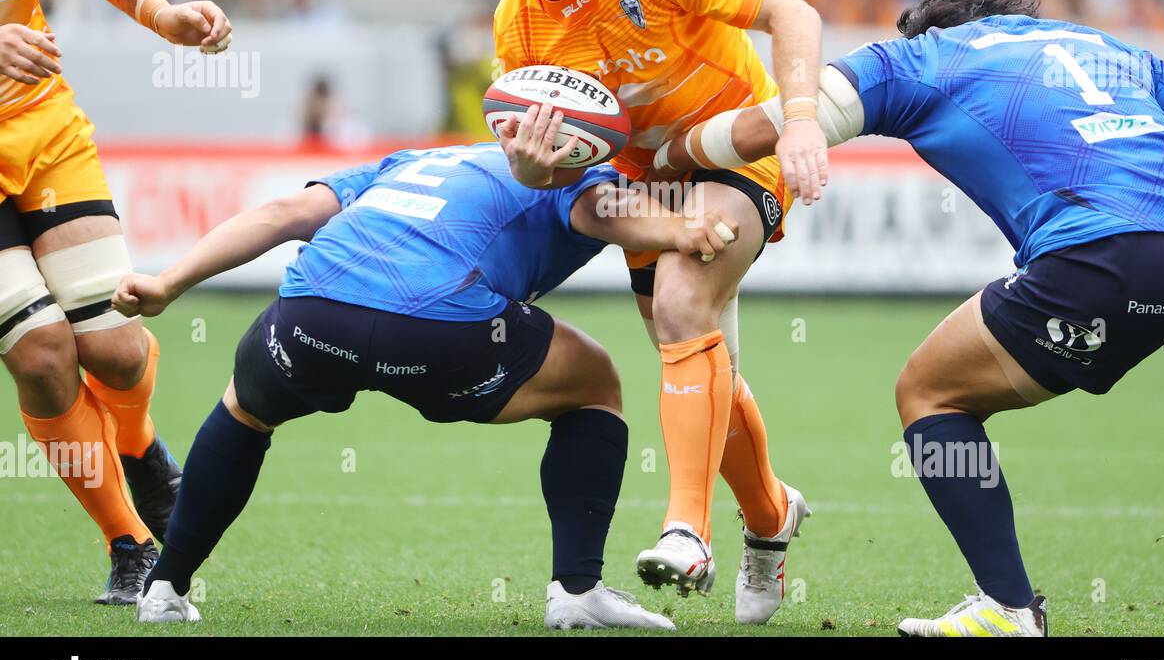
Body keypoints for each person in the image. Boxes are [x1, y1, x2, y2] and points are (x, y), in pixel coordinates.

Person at [653, 0, 1164, 636]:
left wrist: (668, 150)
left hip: (1101, 259)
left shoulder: (919, 57)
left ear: (932, 27)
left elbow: (783, 121)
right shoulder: (1110, 48)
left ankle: (1009, 608)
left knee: (930, 394)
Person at [115, 136, 740, 630]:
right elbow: (608, 213)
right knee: (596, 382)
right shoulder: (571, 174)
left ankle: (165, 589)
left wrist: (169, 282)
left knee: (246, 409)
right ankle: (576, 592)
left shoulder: (414, 160)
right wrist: (682, 229)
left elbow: (284, 214)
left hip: (310, 315)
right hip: (438, 336)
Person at [482, 0, 819, 622]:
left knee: (678, 306)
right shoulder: (517, 32)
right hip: (643, 182)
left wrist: (800, 120)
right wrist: (535, 170)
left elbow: (792, 11)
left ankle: (686, 533)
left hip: (738, 145)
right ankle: (771, 519)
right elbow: (557, 171)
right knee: (698, 359)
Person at [0, 0, 233, 604]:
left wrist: (161, 13)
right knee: (39, 353)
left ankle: (137, 444)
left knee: (117, 350)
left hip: (42, 126)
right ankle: (129, 541)